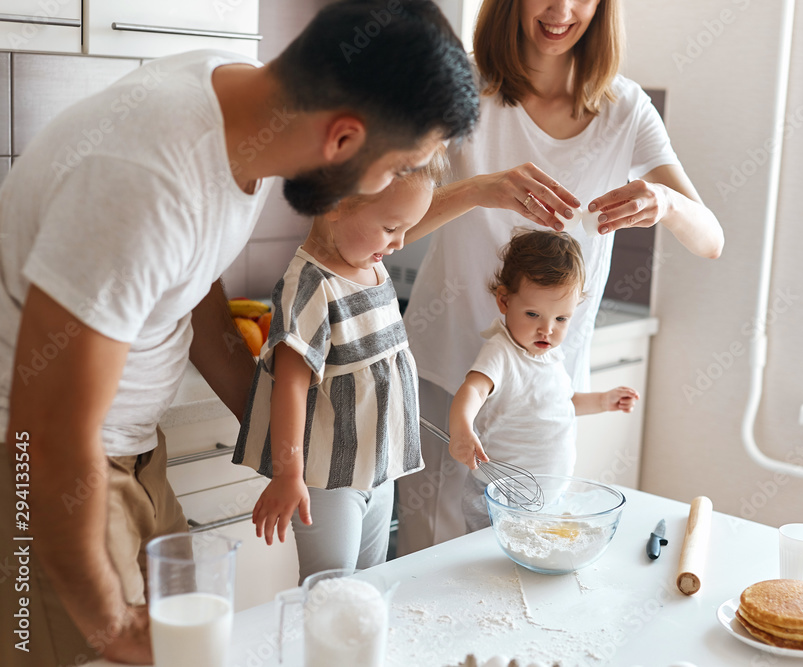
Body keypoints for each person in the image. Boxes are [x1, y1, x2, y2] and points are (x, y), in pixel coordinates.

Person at [0, 1, 478, 664]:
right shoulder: (142, 182)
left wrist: (274, 433)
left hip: (134, 449)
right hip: (45, 465)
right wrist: (109, 624)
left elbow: (193, 288)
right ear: (343, 139)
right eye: (401, 167)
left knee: (183, 649)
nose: (398, 192)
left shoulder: (244, 120)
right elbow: (48, 434)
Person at [396, 0, 724, 554]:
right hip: (449, 369)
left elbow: (710, 240)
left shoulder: (625, 110)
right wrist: (478, 189)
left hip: (547, 390)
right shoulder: (460, 87)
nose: (561, 10)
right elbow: (381, 227)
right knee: (433, 555)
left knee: (528, 551)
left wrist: (666, 203)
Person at [233, 152, 447, 581]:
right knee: (330, 589)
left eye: (406, 229)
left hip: (377, 471)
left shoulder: (373, 265)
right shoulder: (311, 286)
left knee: (367, 586)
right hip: (327, 482)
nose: (399, 243)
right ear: (333, 203)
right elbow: (290, 387)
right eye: (391, 228)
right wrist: (289, 475)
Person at [447, 230, 639, 531]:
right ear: (504, 301)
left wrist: (603, 401)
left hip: (547, 496)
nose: (546, 329)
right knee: (492, 560)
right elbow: (473, 389)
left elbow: (563, 404)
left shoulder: (551, 357)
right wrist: (461, 426)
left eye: (561, 319)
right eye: (533, 314)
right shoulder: (501, 352)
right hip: (500, 498)